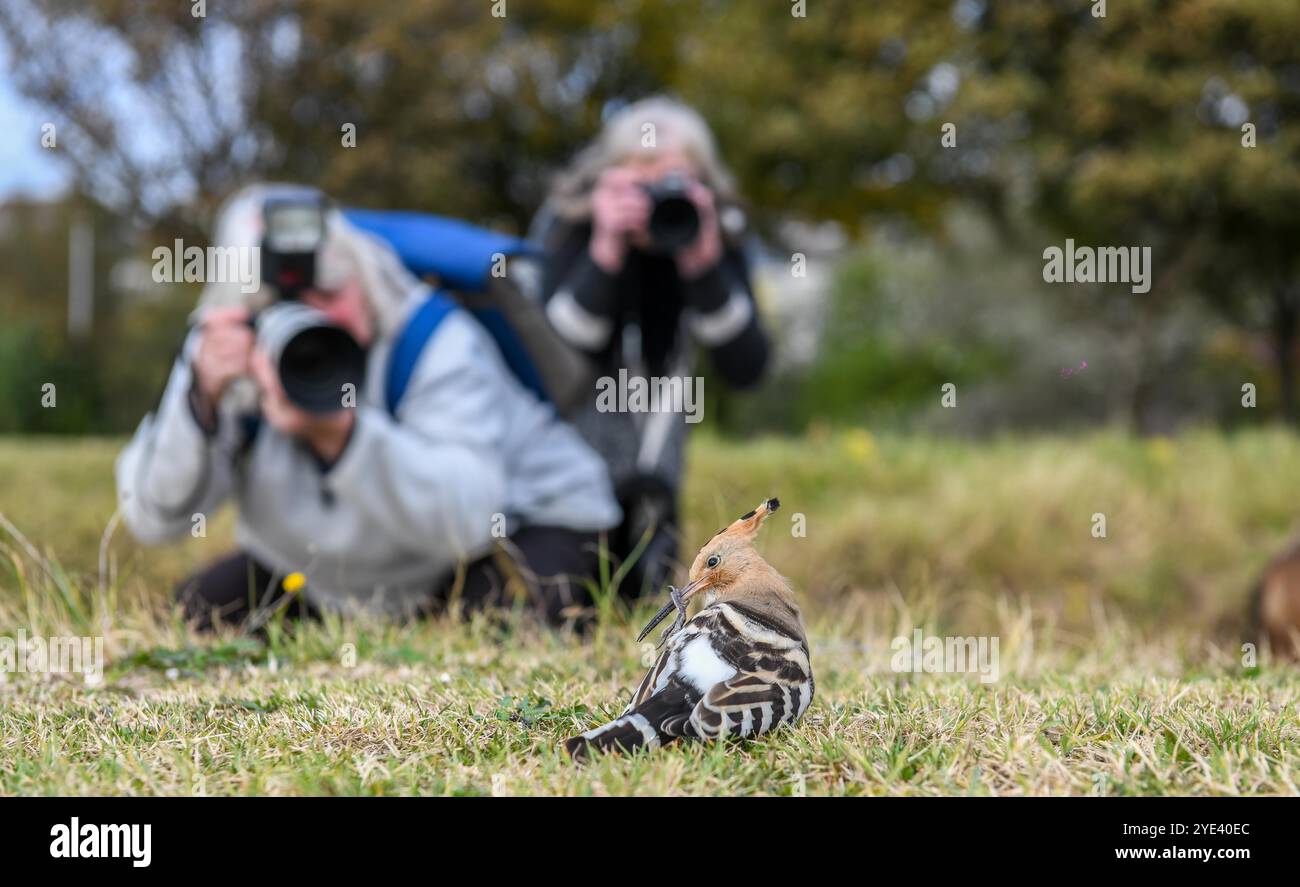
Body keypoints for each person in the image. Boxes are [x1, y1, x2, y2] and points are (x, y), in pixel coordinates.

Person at [116, 184, 621, 629]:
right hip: (345, 565)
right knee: (193, 613)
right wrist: (200, 400)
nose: (312, 319)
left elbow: (469, 518)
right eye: (284, 301)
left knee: (498, 623)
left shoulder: (434, 340)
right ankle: (372, 608)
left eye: (328, 290)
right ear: (241, 307)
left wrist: (343, 438)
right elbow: (155, 518)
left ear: (363, 272)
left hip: (521, 522)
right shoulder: (231, 349)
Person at [533, 97, 768, 594]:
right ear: (607, 179)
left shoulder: (716, 234)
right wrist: (604, 251)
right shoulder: (569, 226)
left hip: (659, 483)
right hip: (564, 475)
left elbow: (746, 366)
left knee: (649, 593)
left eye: (673, 182)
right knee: (568, 594)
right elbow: (552, 358)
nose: (657, 201)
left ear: (703, 185)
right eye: (641, 182)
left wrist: (704, 263)